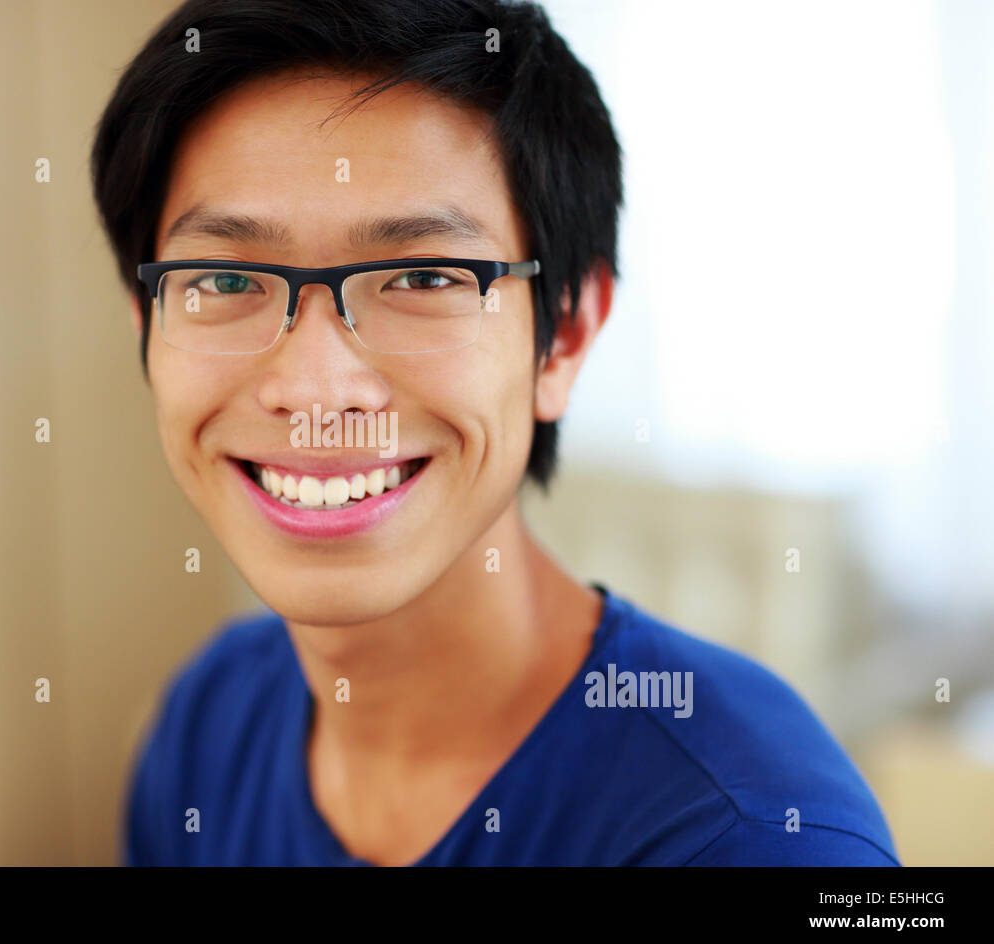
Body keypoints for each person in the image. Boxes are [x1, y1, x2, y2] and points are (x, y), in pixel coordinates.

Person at [90, 0, 899, 865]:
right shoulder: (211, 719)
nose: (314, 388)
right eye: (222, 277)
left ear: (566, 335)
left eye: (424, 275)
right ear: (147, 323)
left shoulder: (751, 835)